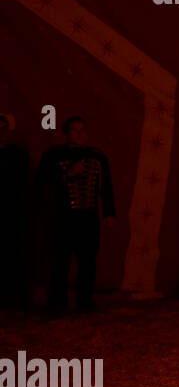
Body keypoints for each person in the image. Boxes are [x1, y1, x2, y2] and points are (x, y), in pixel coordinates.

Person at [37, 117, 116, 315]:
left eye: (83, 130)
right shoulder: (52, 156)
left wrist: (109, 213)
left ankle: (85, 302)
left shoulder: (98, 157)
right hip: (61, 217)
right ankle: (57, 303)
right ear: (66, 133)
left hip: (88, 218)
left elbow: (106, 188)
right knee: (59, 261)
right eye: (74, 130)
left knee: (88, 261)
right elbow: (40, 184)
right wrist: (67, 175)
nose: (80, 134)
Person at [0, 114, 30, 310]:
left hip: (11, 214)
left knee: (11, 255)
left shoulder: (18, 155)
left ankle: (11, 299)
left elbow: (22, 186)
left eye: (3, 128)